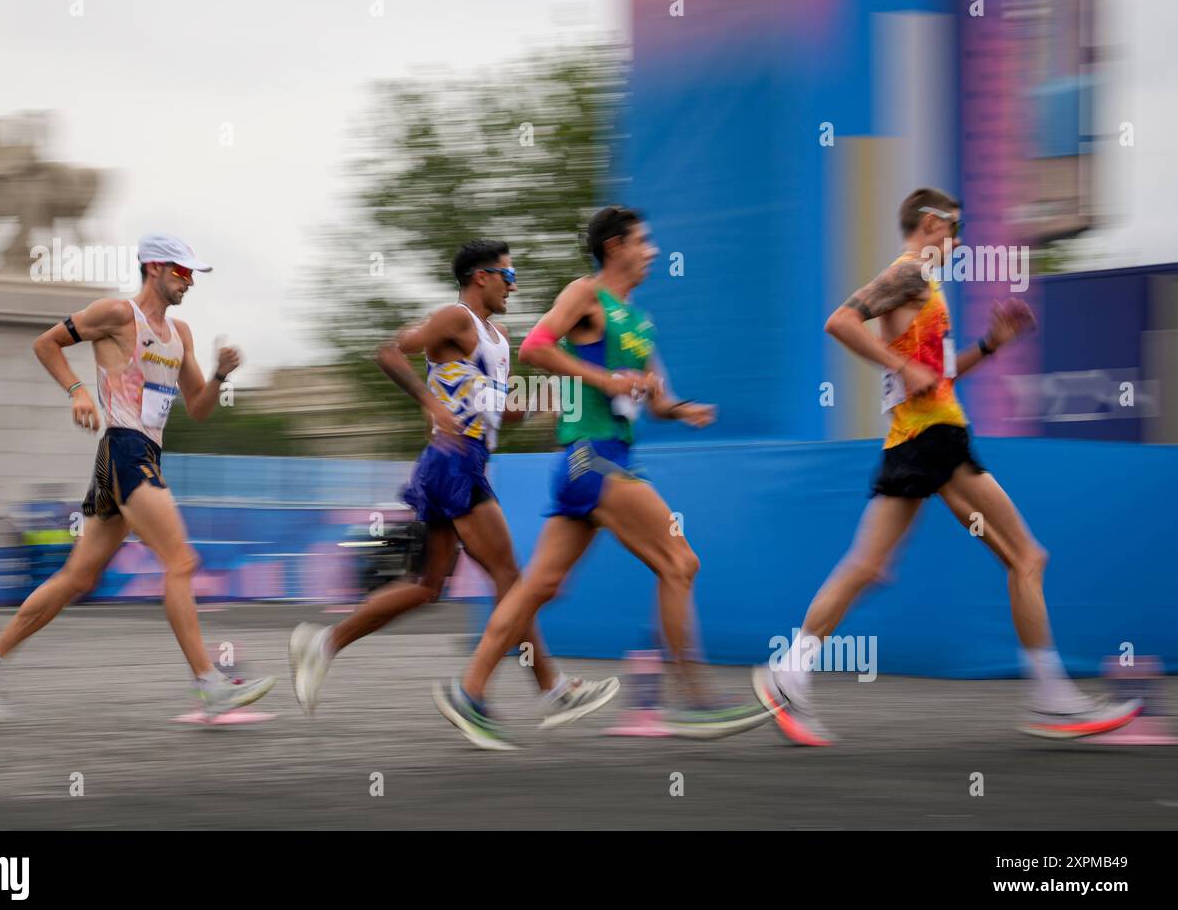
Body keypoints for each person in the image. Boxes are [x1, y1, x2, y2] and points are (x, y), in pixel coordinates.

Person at [751, 188, 1142, 744]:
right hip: (935, 437)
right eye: (954, 229)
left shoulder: (924, 289)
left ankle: (789, 670)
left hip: (914, 438)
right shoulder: (908, 274)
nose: (958, 242)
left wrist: (990, 344)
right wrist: (900, 365)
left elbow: (937, 374)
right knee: (1027, 557)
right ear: (931, 223)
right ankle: (1053, 699)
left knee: (868, 566)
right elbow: (840, 321)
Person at [435, 207, 777, 750]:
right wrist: (604, 376)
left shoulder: (640, 322)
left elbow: (655, 397)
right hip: (591, 458)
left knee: (541, 586)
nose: (654, 251)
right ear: (615, 246)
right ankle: (693, 701)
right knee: (680, 561)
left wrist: (681, 409)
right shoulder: (586, 294)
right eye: (645, 242)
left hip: (604, 461)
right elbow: (536, 347)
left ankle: (469, 691)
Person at [289, 239, 619, 732]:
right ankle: (545, 690)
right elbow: (390, 352)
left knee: (428, 586)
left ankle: (324, 643)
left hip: (466, 461)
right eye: (508, 275)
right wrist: (428, 400)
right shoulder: (454, 318)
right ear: (480, 277)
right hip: (454, 461)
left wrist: (535, 403)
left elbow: (500, 412)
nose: (514, 284)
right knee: (511, 580)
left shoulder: (500, 338)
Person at [0, 233, 275, 721]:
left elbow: (197, 409)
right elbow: (46, 343)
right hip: (125, 448)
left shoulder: (180, 334)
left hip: (141, 453)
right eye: (182, 272)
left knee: (78, 577)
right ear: (154, 268)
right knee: (182, 561)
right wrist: (78, 391)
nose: (188, 282)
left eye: (192, 275)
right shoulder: (116, 313)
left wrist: (219, 375)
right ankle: (208, 684)